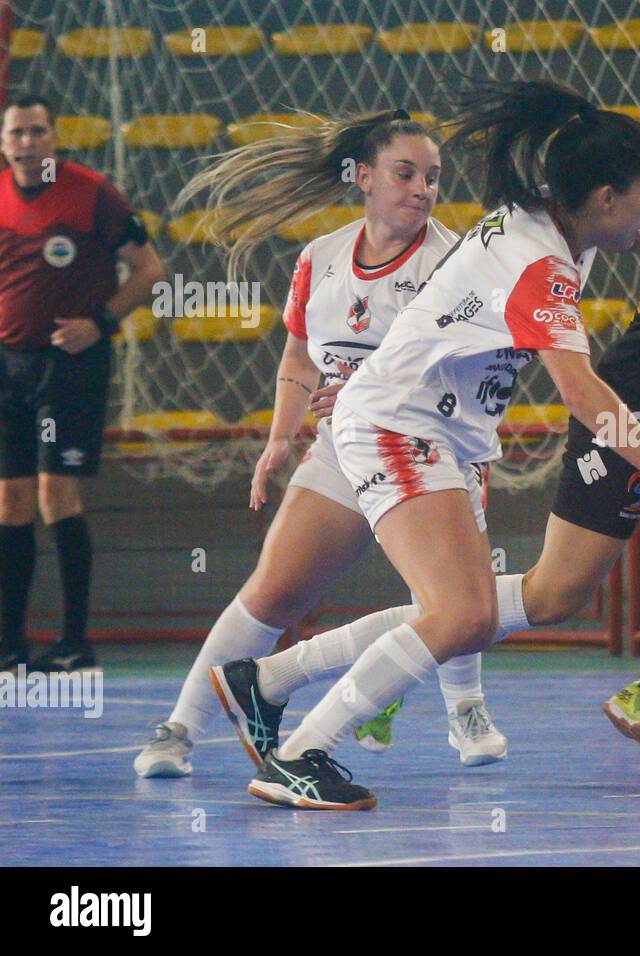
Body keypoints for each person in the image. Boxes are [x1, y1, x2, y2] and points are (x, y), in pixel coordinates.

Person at [214, 77, 640, 810]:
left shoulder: (549, 212)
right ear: (601, 196)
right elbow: (586, 397)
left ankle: (268, 680)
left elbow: (628, 232)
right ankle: (305, 751)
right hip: (400, 425)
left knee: (464, 611)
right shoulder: (543, 270)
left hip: (439, 431)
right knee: (461, 615)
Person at [133, 109, 507, 778]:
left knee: (455, 602)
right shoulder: (320, 257)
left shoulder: (453, 264)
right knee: (272, 592)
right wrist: (279, 437)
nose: (422, 188)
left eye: (433, 177)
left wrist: (371, 385)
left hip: (431, 446)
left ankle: (465, 706)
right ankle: (178, 727)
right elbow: (302, 359)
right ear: (363, 177)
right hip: (342, 448)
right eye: (406, 173)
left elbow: (465, 366)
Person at [0, 91, 165, 674]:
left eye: (37, 131)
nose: (27, 142)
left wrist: (99, 323)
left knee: (55, 496)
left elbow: (150, 270)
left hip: (70, 368)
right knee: (10, 500)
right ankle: (10, 646)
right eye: (16, 133)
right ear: (4, 142)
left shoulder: (92, 192)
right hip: (7, 368)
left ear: (54, 137)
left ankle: (74, 644)